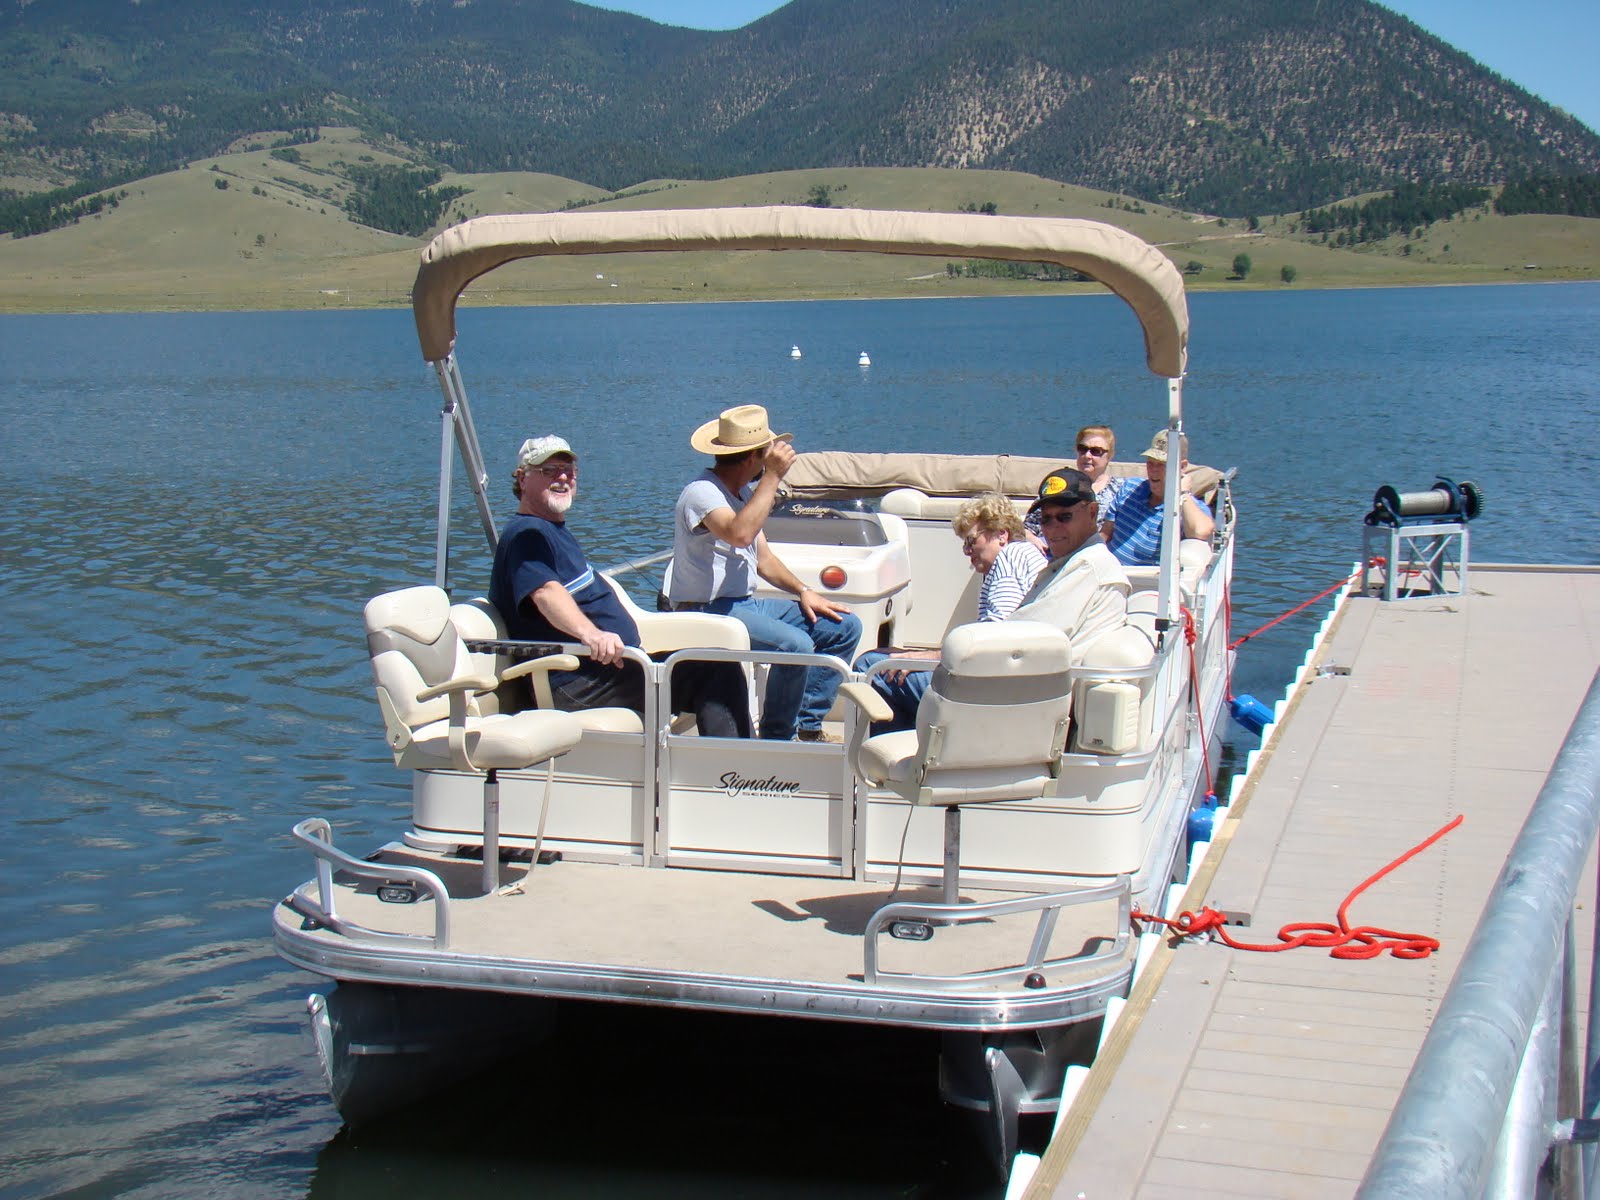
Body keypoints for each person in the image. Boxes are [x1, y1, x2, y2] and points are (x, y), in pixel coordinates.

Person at [490, 435, 751, 738]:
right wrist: (592, 634)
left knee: (716, 662)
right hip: (578, 682)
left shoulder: (551, 529)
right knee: (715, 670)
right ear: (522, 479)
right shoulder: (526, 534)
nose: (562, 478)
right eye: (549, 471)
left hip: (610, 669)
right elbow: (546, 592)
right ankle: (734, 765)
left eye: (569, 471)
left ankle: (737, 756)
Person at [668, 405, 862, 742]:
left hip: (744, 604)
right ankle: (777, 739)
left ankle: (808, 727)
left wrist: (804, 591)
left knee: (843, 627)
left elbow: (764, 559)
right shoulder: (702, 493)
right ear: (752, 458)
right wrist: (772, 477)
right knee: (796, 646)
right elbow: (739, 534)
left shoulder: (744, 494)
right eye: (766, 454)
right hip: (706, 610)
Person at [857, 492, 1049, 724]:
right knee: (886, 658)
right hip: (1009, 684)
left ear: (1001, 534)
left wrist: (931, 657)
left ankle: (891, 749)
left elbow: (995, 639)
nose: (966, 551)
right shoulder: (1026, 556)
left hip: (990, 693)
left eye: (971, 541)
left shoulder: (1010, 556)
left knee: (874, 666)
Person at [1100, 429, 1216, 566]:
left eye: (1162, 464)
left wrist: (1183, 493)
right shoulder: (1129, 488)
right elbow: (1105, 535)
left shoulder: (1187, 507)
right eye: (1150, 463)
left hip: (1145, 578)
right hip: (1107, 571)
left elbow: (1201, 531)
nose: (1154, 470)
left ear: (1182, 467)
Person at [1025, 424, 1127, 546]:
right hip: (1046, 547)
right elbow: (1027, 527)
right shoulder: (1061, 481)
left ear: (1110, 455)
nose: (1087, 455)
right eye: (1082, 449)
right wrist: (1032, 540)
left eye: (1096, 451)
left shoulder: (1121, 490)